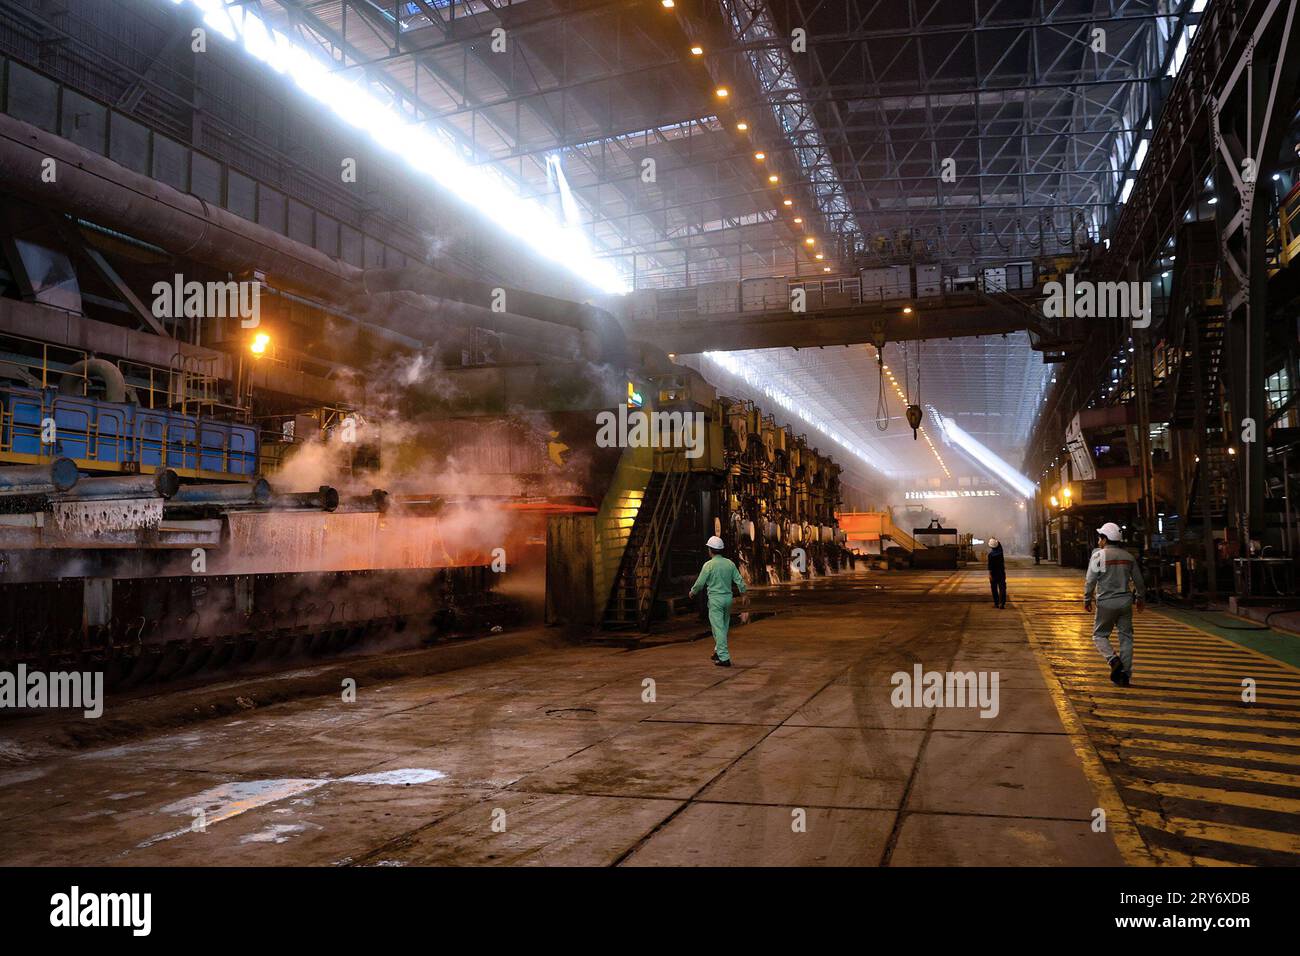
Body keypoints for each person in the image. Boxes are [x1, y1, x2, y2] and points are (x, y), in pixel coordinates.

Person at [1084, 522, 1146, 687]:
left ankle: (1113, 660)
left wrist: (1087, 598)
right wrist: (1140, 598)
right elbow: (1139, 582)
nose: (1098, 541)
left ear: (1105, 539)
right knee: (1126, 638)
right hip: (1125, 603)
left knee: (1099, 636)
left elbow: (1091, 580)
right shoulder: (1128, 557)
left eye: (1100, 538)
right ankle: (1125, 674)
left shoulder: (1100, 556)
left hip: (1106, 602)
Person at [689, 535, 746, 667]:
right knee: (723, 627)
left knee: (718, 628)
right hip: (728, 599)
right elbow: (739, 579)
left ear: (710, 550)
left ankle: (724, 657)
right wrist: (744, 593)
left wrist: (693, 592)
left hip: (715, 600)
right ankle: (717, 651)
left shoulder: (708, 565)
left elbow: (700, 583)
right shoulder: (730, 564)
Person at [987, 537, 1007, 608]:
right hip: (1001, 572)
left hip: (993, 573)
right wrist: (997, 541)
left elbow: (990, 566)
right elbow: (1000, 546)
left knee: (994, 588)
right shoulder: (1000, 553)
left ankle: (996, 603)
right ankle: (1002, 603)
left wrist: (990, 574)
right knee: (1002, 588)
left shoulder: (990, 555)